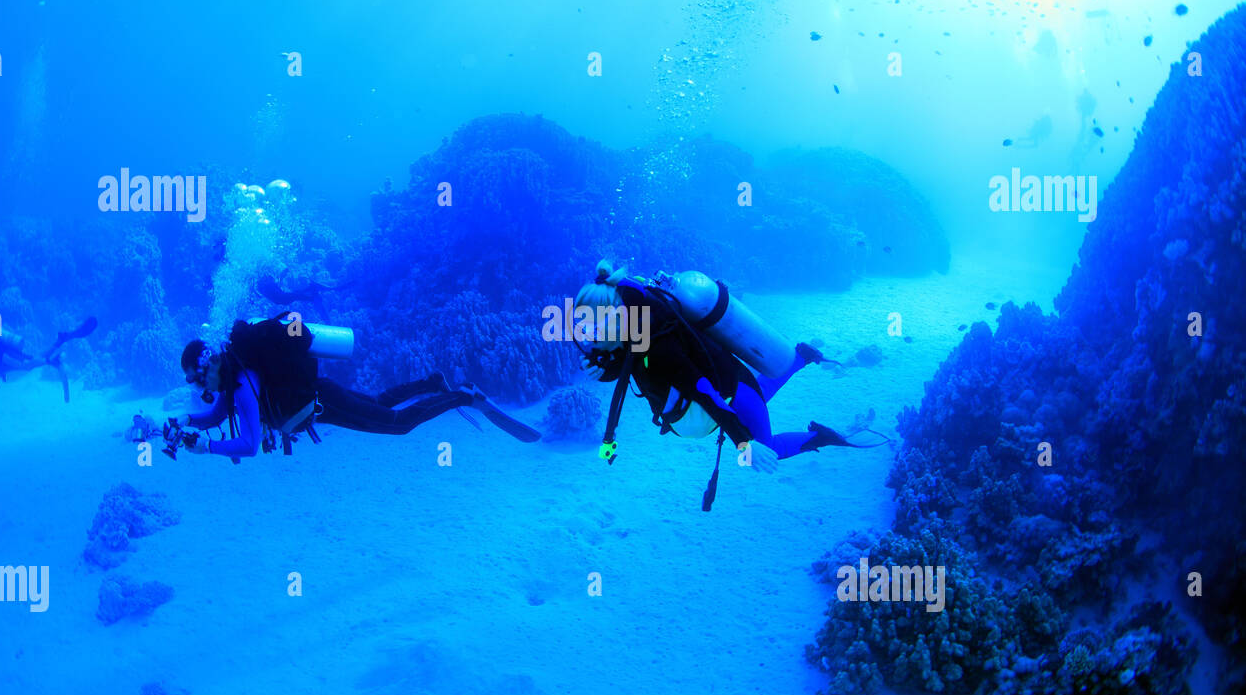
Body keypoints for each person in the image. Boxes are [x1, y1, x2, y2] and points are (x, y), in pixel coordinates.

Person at [573, 261, 885, 506]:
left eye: (592, 331)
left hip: (730, 389)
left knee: (765, 449)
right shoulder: (634, 322)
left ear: (612, 321)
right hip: (726, 394)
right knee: (753, 404)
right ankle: (799, 358)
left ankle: (823, 438)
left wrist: (742, 443)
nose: (589, 340)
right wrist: (605, 368)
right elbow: (627, 361)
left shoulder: (658, 348)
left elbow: (704, 390)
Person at [171, 320, 535, 461]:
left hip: (320, 403)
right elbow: (216, 415)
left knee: (398, 425)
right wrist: (179, 421)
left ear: (208, 367)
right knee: (379, 405)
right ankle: (431, 383)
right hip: (319, 398)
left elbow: (248, 446)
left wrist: (207, 447)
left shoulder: (243, 384)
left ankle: (464, 396)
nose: (199, 387)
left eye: (196, 378)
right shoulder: (233, 383)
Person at [0, 317, 96, 406]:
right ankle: (59, 342)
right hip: (6, 356)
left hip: (5, 358)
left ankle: (51, 360)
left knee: (27, 366)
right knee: (33, 359)